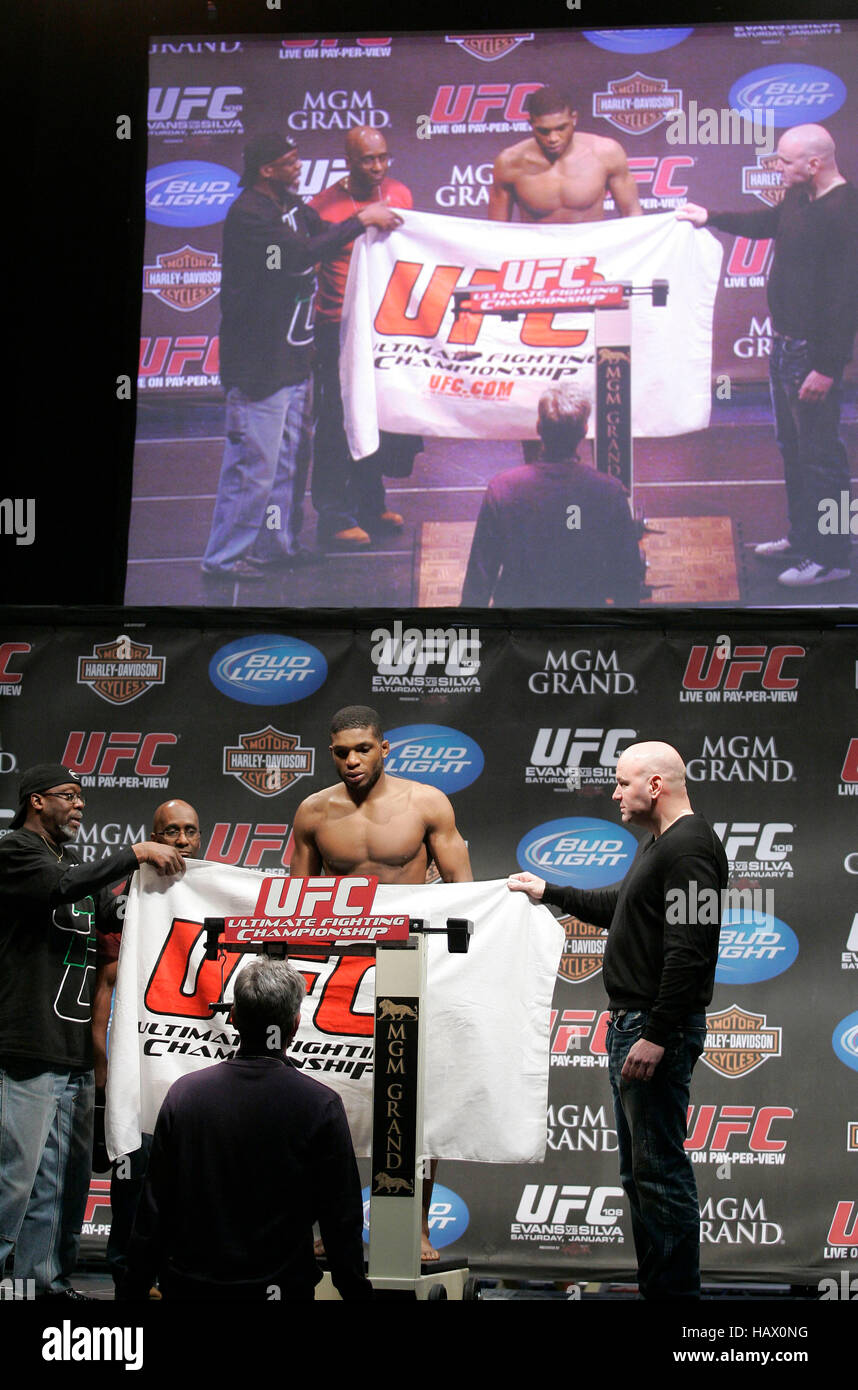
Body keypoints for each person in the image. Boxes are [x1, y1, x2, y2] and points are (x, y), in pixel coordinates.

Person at [508, 741, 728, 1300]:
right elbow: (620, 907)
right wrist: (549, 891)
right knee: (642, 1179)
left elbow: (692, 951)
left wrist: (656, 1035)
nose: (614, 791)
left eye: (622, 781)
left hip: (654, 1029)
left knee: (660, 1178)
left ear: (654, 785)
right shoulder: (661, 845)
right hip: (637, 1024)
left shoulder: (689, 850)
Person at [0, 764, 183, 1301]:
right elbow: (61, 888)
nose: (79, 805)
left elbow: (115, 913)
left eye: (81, 797)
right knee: (13, 1181)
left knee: (62, 1184)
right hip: (25, 1043)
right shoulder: (14, 853)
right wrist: (136, 854)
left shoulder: (71, 859)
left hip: (74, 1050)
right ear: (35, 801)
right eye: (67, 796)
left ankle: (43, 1284)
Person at [292, 705, 473, 1259]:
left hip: (411, 965)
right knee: (333, 1102)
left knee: (414, 1098)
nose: (351, 760)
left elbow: (463, 891)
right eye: (341, 751)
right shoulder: (313, 811)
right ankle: (331, 1228)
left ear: (384, 747)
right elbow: (295, 903)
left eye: (362, 749)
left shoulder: (426, 803)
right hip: (343, 971)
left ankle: (413, 1227)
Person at [201, 131, 403, 580]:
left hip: (293, 359)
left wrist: (365, 222)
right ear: (266, 170)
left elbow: (324, 232)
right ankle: (223, 558)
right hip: (258, 365)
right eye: (290, 162)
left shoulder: (290, 207)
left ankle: (277, 545)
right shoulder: (250, 215)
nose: (298, 167)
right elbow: (299, 253)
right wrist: (363, 217)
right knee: (254, 467)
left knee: (290, 463)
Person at [125, 956, 372, 1301]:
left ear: (235, 1018)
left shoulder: (185, 1095)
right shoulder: (320, 1105)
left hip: (190, 1290)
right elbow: (340, 1220)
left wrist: (134, 1288)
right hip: (281, 1292)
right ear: (296, 1023)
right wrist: (356, 1291)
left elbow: (154, 1209)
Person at [677, 123, 858, 587]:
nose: (777, 167)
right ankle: (804, 539)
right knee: (793, 449)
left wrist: (827, 366)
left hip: (812, 355)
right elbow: (765, 224)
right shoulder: (800, 199)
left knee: (823, 458)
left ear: (814, 164)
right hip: (783, 347)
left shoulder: (844, 212)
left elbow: (847, 296)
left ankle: (833, 555)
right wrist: (710, 215)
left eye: (785, 161)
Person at [92, 798, 202, 1297]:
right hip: (139, 1062)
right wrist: (103, 1062)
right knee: (134, 1179)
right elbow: (107, 984)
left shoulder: (215, 891)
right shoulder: (121, 894)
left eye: (189, 831)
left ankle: (182, 1274)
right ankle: (129, 1279)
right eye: (170, 831)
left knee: (194, 1184)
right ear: (152, 835)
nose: (181, 841)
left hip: (195, 1064)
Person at [309, 126, 417, 548]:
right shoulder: (322, 206)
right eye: (367, 159)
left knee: (374, 417)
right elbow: (309, 265)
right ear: (348, 160)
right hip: (337, 325)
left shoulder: (401, 194)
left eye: (383, 157)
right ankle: (334, 517)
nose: (377, 166)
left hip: (383, 324)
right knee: (337, 423)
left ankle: (371, 505)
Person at [461, 384, 643, 606]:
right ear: (585, 430)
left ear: (539, 427)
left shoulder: (503, 488)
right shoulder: (609, 491)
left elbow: (479, 576)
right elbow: (627, 579)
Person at [488, 85, 642, 223]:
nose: (553, 138)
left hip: (592, 250)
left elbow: (632, 214)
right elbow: (496, 231)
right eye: (544, 131)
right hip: (537, 252)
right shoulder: (509, 163)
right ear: (531, 125)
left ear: (574, 119)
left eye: (561, 128)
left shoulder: (606, 153)